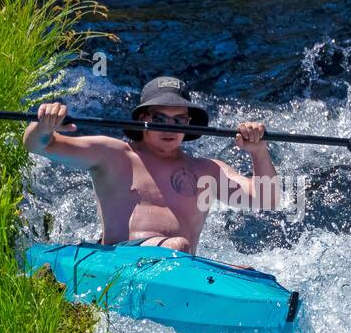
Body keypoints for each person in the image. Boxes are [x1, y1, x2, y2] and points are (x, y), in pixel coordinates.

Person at [24, 76, 278, 254]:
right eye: (160, 119)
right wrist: (43, 124)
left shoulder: (207, 170)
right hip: (118, 262)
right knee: (178, 245)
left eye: (179, 120)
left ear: (188, 123)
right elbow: (38, 145)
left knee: (247, 274)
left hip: (181, 270)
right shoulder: (113, 155)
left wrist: (258, 151)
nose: (170, 128)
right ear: (143, 119)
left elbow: (267, 198)